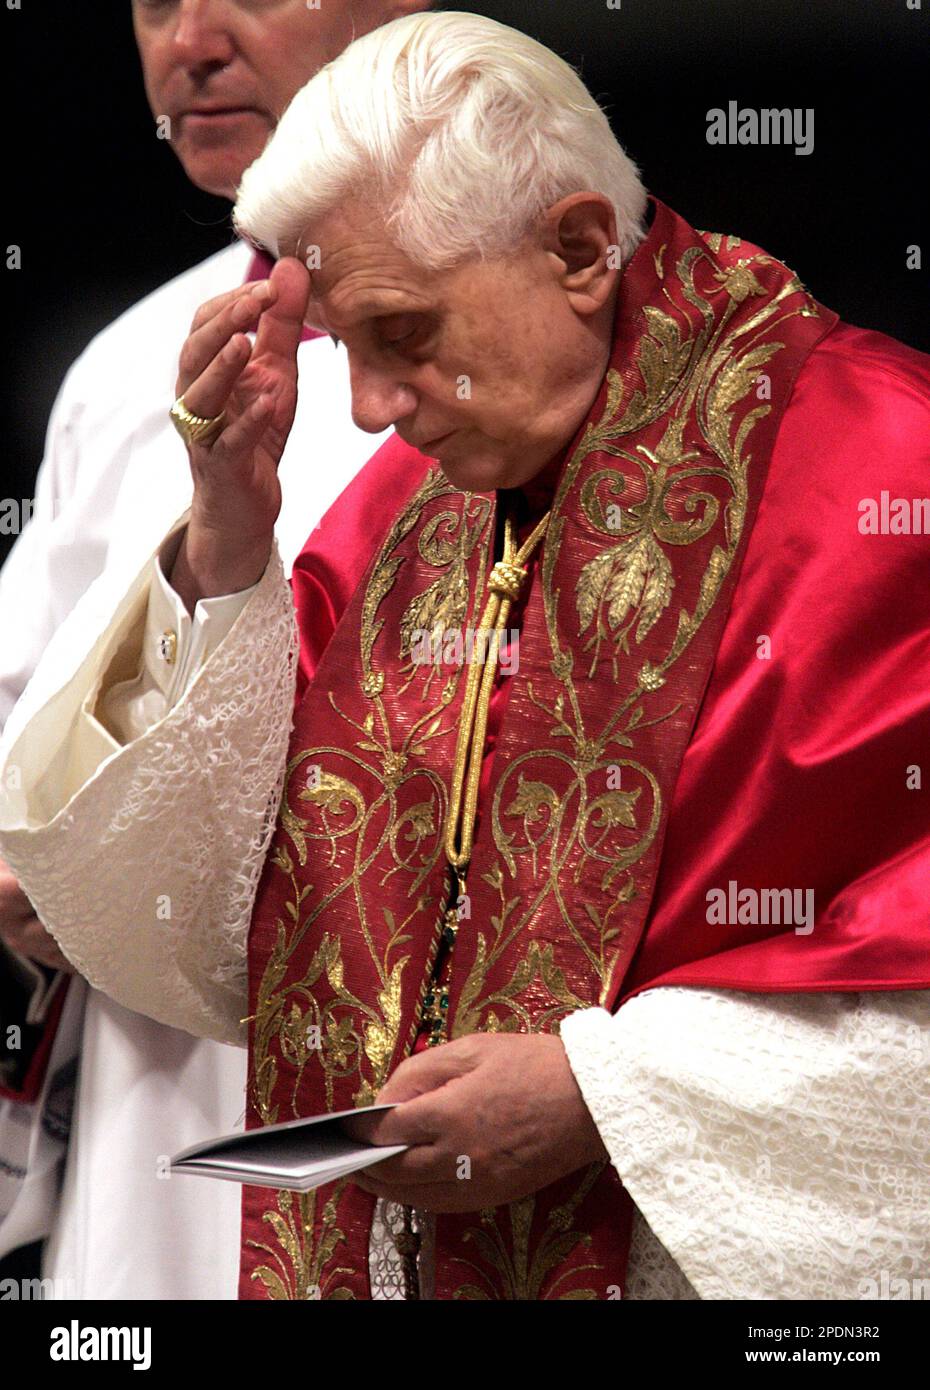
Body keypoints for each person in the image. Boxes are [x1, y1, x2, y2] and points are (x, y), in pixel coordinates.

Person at [2, 11, 928, 1300]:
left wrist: (609, 1093)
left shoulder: (886, 473)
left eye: (404, 335)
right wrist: (225, 541)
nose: (371, 406)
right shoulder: (401, 514)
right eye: (348, 346)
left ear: (582, 248)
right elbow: (200, 917)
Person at [0, 0, 426, 1298]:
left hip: (426, 1101)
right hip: (156, 1118)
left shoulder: (580, 337)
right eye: (149, 3)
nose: (187, 44)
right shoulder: (128, 364)